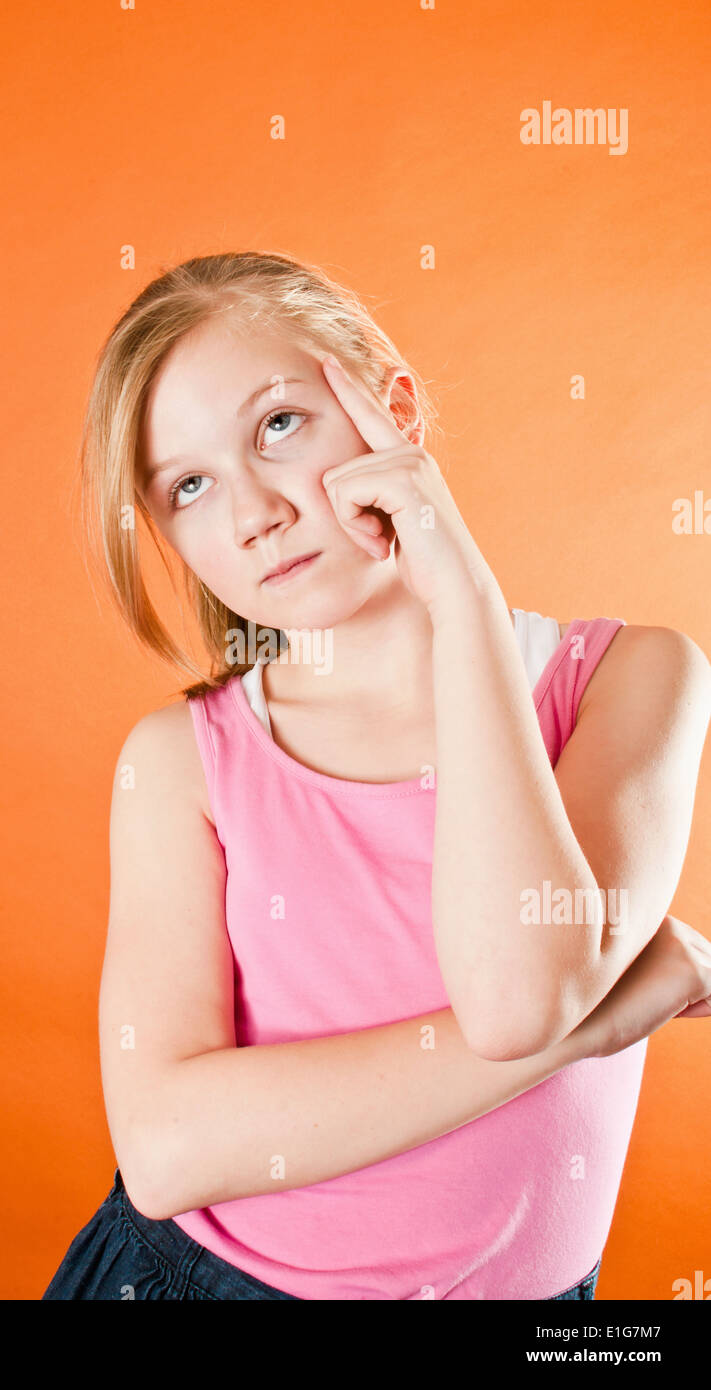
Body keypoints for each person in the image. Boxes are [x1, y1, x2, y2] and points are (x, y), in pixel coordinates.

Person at [43, 251, 711, 1300]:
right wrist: (597, 1019)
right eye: (188, 486)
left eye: (275, 425)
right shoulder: (182, 762)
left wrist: (464, 606)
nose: (254, 511)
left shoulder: (634, 681)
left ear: (387, 405)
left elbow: (516, 996)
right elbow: (167, 1150)